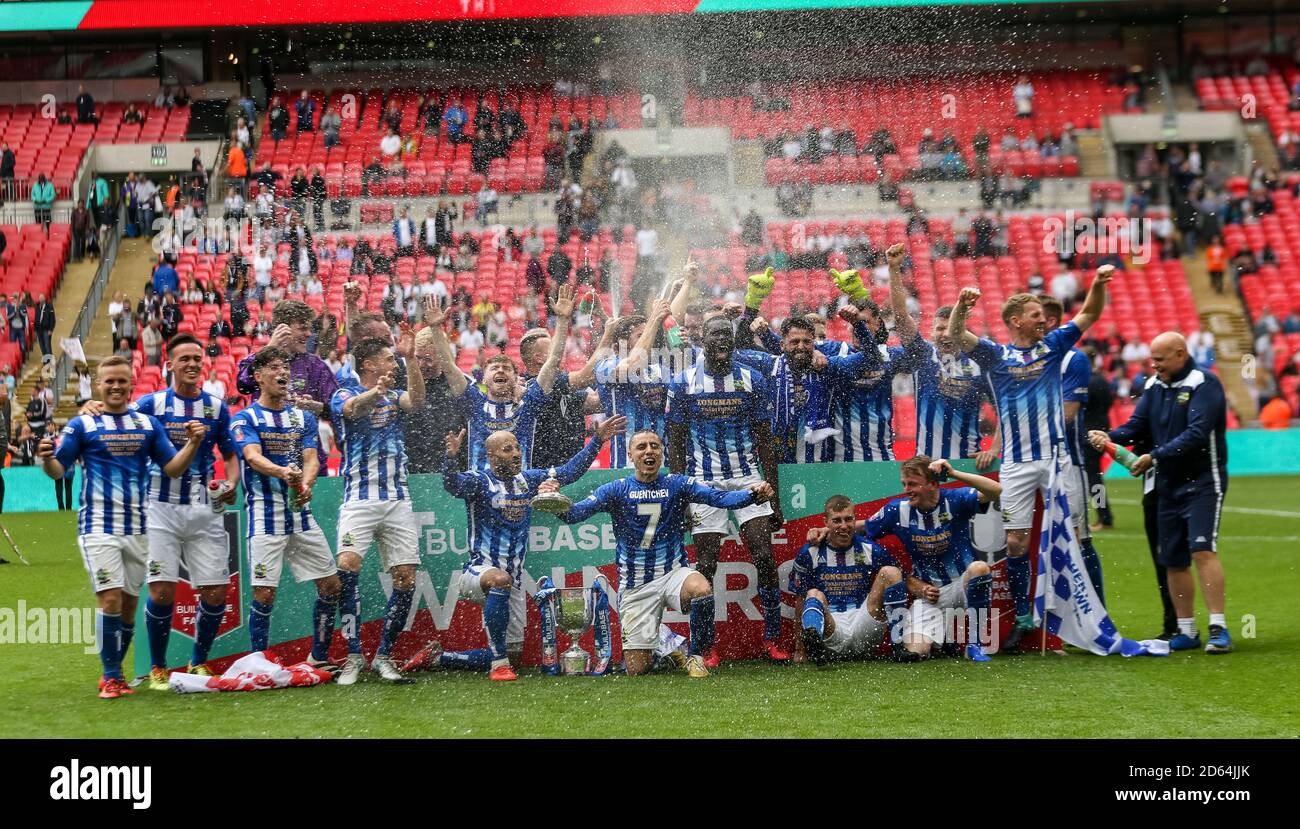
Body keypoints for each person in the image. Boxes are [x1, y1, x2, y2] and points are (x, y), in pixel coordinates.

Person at [946, 265, 1113, 649]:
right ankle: (1024, 616)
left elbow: (1089, 314)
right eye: (1035, 315)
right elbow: (956, 334)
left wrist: (1098, 283)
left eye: (1043, 315)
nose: (1044, 320)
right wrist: (962, 306)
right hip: (1017, 464)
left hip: (1057, 460)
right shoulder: (996, 355)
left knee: (1078, 539)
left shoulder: (1052, 345)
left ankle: (1096, 615)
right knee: (1016, 543)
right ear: (1015, 321)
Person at [37, 356, 206, 699]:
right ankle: (112, 676)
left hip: (139, 529)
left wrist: (192, 444)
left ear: (131, 384)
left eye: (122, 381)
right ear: (98, 385)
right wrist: (47, 458)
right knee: (110, 599)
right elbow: (58, 470)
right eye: (109, 381)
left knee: (128, 606)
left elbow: (173, 468)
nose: (115, 386)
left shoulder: (147, 424)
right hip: (98, 527)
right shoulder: (82, 425)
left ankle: (113, 673)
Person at [79, 334, 241, 685]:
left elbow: (230, 455)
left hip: (204, 508)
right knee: (162, 591)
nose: (192, 364)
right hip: (158, 508)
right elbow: (115, 416)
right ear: (169, 365)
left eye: (197, 358)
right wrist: (91, 407)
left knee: (216, 591)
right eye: (185, 359)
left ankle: (199, 661)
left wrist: (231, 483)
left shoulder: (216, 408)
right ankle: (158, 667)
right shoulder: (150, 405)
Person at [548, 429, 774, 677]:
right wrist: (551, 499)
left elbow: (719, 498)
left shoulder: (677, 484)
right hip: (636, 586)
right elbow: (574, 514)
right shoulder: (616, 489)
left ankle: (697, 657)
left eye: (654, 446)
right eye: (642, 447)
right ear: (630, 455)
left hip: (673, 574)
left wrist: (751, 495)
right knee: (637, 670)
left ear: (662, 453)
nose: (649, 451)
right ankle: (669, 644)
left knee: (701, 587)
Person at [432, 416, 625, 680]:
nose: (516, 453)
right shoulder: (480, 481)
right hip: (478, 572)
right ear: (491, 455)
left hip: (512, 581)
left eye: (517, 448)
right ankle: (498, 666)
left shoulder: (528, 480)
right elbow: (452, 484)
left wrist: (597, 441)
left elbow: (568, 472)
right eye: (507, 449)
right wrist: (450, 458)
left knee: (515, 656)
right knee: (500, 580)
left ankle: (441, 657)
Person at [1089, 331, 1232, 654]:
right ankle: (1186, 630)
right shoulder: (1154, 385)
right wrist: (1109, 436)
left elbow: (1197, 433)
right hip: (1167, 484)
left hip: (1202, 482)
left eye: (1160, 359)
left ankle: (1218, 626)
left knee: (1202, 550)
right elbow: (1137, 427)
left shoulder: (1204, 383)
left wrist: (1154, 457)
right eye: (1153, 359)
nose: (1154, 365)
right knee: (1173, 559)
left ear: (1181, 354)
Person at [667, 315, 786, 665]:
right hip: (703, 482)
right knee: (706, 564)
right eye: (715, 334)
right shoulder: (683, 382)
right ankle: (705, 645)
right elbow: (676, 444)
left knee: (764, 555)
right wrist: (682, 496)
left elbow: (765, 441)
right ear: (702, 339)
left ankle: (773, 638)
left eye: (727, 334)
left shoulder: (753, 379)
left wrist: (774, 494)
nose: (722, 339)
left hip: (748, 478)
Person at [229, 347, 341, 669]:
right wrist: (282, 472)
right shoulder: (245, 419)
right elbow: (252, 457)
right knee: (264, 593)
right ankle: (258, 662)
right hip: (265, 517)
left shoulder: (302, 417)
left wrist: (305, 484)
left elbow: (311, 460)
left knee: (331, 585)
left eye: (286, 368)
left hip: (301, 516)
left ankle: (318, 657)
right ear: (258, 376)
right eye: (275, 368)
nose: (283, 373)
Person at [329, 331, 426, 685]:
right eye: (389, 359)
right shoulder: (344, 393)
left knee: (406, 577)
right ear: (369, 365)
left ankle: (384, 656)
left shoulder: (395, 395)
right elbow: (353, 409)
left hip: (397, 499)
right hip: (359, 498)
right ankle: (353, 655)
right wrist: (376, 392)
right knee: (347, 565)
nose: (393, 365)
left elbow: (417, 401)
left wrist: (411, 358)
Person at [863, 457, 1003, 660]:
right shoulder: (897, 510)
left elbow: (995, 490)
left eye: (913, 484)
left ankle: (975, 645)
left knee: (979, 568)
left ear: (933, 484)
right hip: (930, 595)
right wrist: (827, 530)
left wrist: (953, 473)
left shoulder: (954, 500)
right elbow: (865, 528)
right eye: (904, 484)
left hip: (962, 586)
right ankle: (943, 641)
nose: (907, 490)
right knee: (914, 652)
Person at [1039, 295, 1106, 603]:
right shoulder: (1027, 358)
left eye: (1036, 316)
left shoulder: (1073, 359)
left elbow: (1067, 415)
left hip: (1069, 461)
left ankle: (1098, 613)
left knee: (1080, 540)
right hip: (1033, 461)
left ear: (1050, 321)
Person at [792, 494, 910, 665]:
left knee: (891, 572)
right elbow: (800, 600)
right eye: (836, 520)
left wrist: (923, 589)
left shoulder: (869, 549)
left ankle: (898, 646)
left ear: (855, 520)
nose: (844, 526)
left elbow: (901, 579)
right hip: (831, 630)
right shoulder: (809, 553)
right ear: (826, 522)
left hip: (864, 628)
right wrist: (799, 650)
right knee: (813, 593)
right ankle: (814, 647)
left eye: (848, 519)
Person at [234, 300, 338, 419]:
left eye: (310, 329)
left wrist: (318, 407)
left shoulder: (316, 365)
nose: (309, 334)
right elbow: (243, 386)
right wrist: (269, 350)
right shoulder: (258, 359)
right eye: (303, 328)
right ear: (282, 329)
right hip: (264, 428)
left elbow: (338, 408)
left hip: (303, 430)